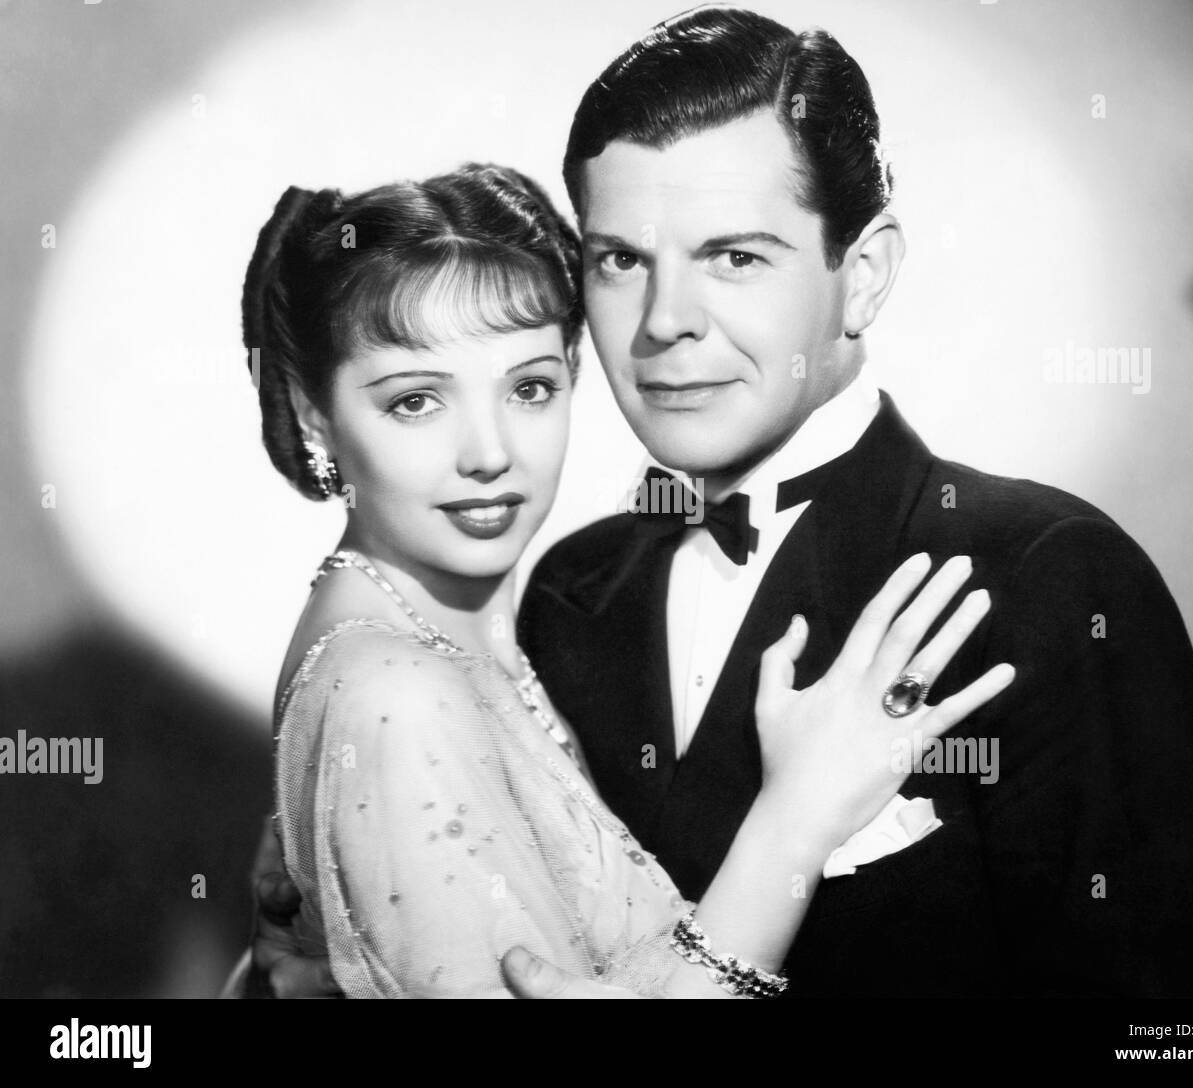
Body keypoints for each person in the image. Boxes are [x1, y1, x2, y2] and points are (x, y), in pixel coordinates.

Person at [248, 6, 1193, 999]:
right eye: (620, 262)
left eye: (734, 257)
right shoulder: (565, 591)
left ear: (860, 275)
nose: (665, 322)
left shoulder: (1044, 577)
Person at [240, 165, 1014, 998]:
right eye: (416, 402)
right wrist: (796, 821)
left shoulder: (530, 615)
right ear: (313, 410)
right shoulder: (395, 692)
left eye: (530, 387)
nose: (489, 453)